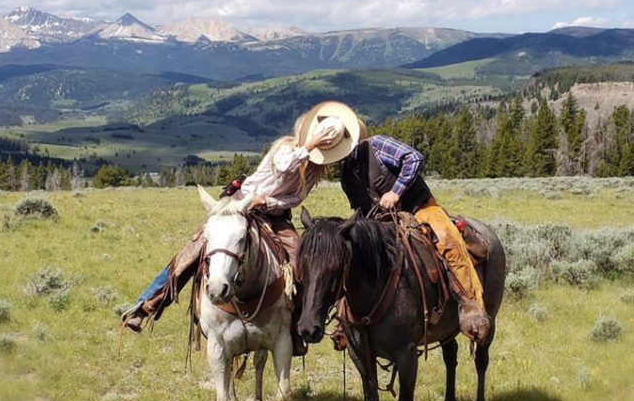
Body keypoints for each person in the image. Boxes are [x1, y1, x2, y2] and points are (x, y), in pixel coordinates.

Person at [122, 105, 363, 356]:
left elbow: (294, 198)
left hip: (275, 215)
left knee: (299, 259)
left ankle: (293, 326)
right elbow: (283, 166)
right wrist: (310, 145)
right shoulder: (286, 148)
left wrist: (268, 203)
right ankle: (147, 305)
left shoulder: (314, 169)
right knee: (193, 250)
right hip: (240, 206)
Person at [300, 103, 490, 343]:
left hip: (418, 207)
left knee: (447, 239)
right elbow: (361, 210)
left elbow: (414, 158)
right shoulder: (346, 176)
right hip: (382, 222)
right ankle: (347, 319)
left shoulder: (377, 145)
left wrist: (396, 192)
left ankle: (470, 304)